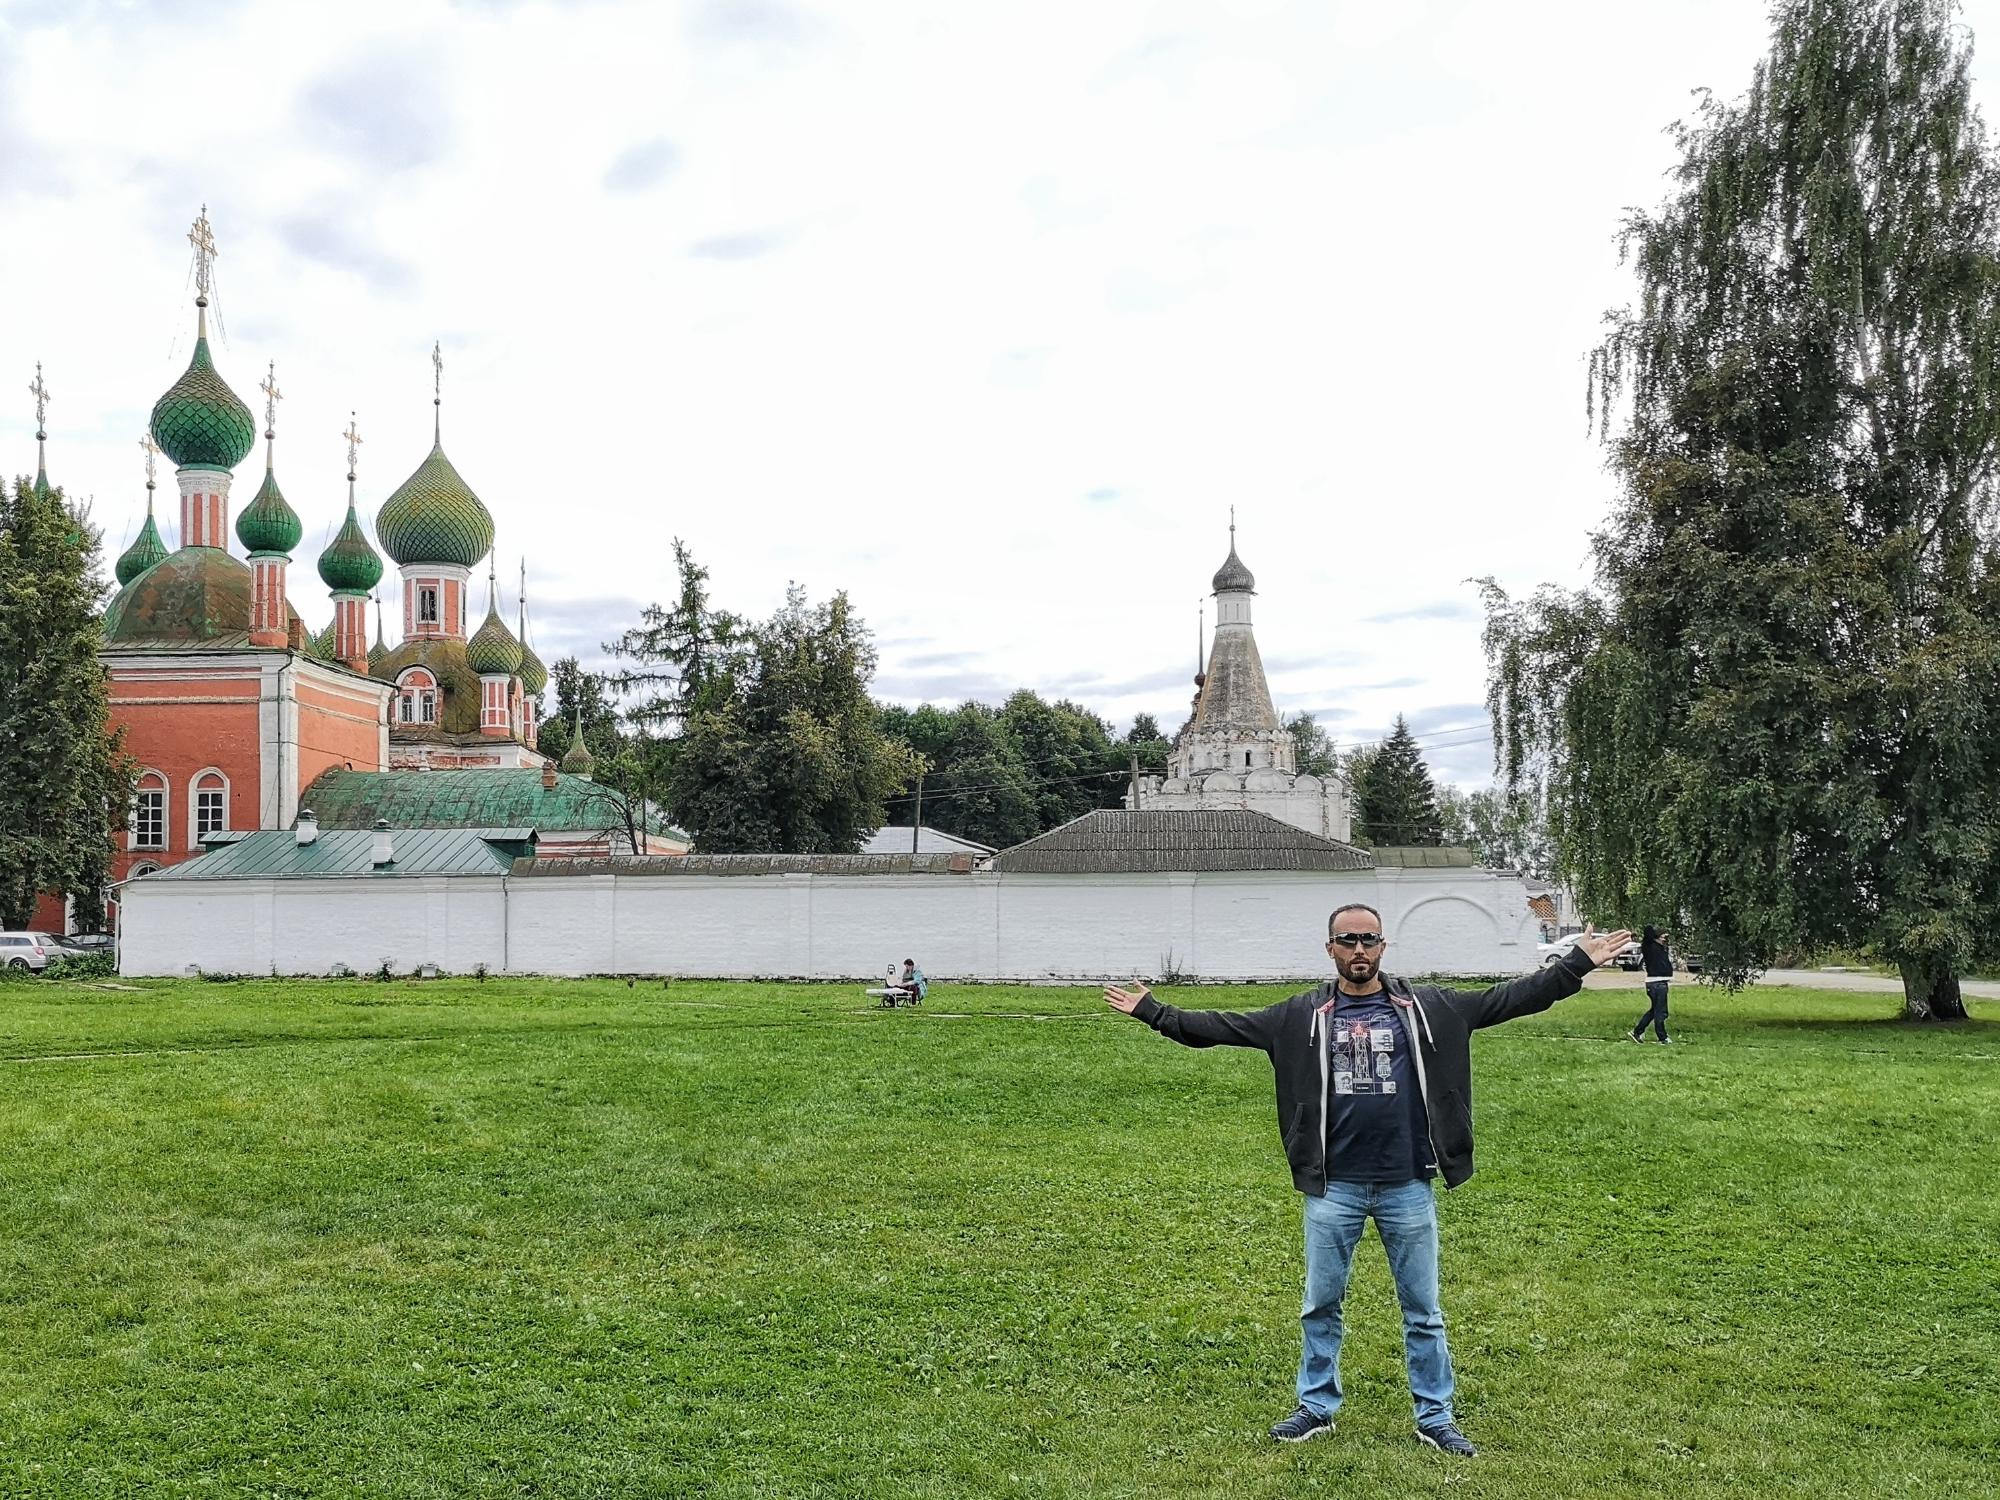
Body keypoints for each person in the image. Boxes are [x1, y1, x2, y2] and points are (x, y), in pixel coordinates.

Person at [1104, 906, 1631, 1459]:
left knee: (1423, 1310)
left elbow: (1511, 998)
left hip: (1407, 1183)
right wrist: (1154, 1012)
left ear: (1383, 946)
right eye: (1347, 940)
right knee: (1321, 1305)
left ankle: (1435, 1415)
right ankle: (1315, 1407)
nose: (1359, 949)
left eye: (1368, 940)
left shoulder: (1432, 1007)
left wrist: (1573, 965)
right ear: (1330, 948)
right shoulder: (1299, 1016)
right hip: (1335, 1188)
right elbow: (1219, 1028)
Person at [1628, 924, 1673, 1044]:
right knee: (1661, 1012)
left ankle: (1637, 1032)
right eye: (1662, 936)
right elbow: (1648, 931)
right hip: (1656, 983)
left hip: (1658, 983)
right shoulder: (1649, 946)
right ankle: (1662, 1038)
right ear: (1655, 937)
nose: (1664, 939)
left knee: (1654, 1011)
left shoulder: (1659, 947)